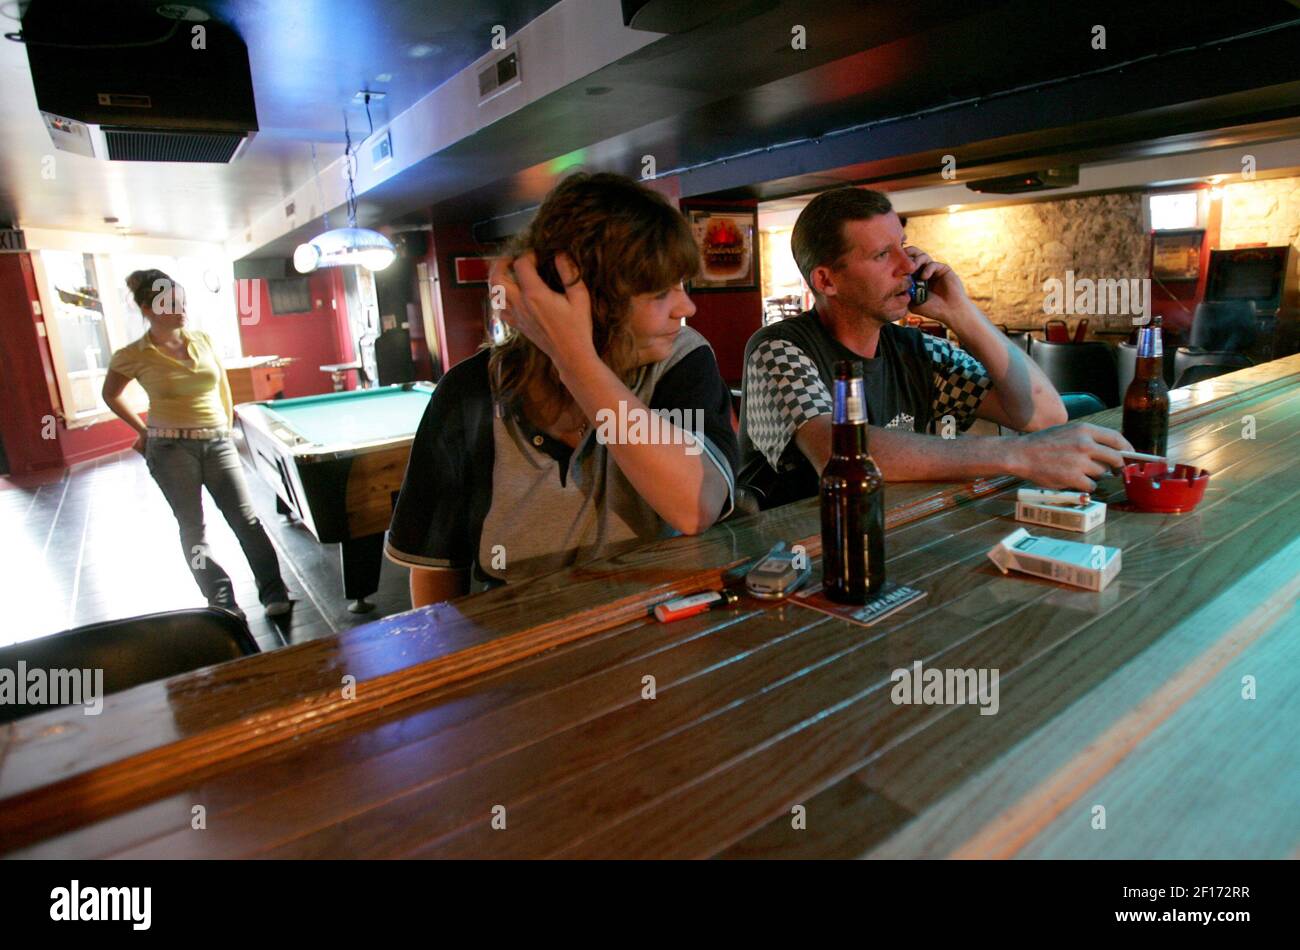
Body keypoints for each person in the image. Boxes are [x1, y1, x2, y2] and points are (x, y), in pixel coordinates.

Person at [385, 172, 738, 608]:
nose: (687, 307)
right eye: (659, 293)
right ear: (590, 300)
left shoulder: (681, 360)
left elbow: (693, 507)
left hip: (657, 625)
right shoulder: (469, 393)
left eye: (683, 286)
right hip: (519, 640)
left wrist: (575, 360)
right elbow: (437, 573)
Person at [738, 187, 1133, 507]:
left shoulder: (918, 352)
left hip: (891, 533)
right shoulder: (779, 349)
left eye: (903, 245)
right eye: (881, 255)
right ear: (826, 281)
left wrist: (961, 312)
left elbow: (1045, 415)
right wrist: (1018, 454)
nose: (908, 265)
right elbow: (835, 453)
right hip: (796, 556)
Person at [102, 270, 292, 618]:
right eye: (170, 302)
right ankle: (221, 601)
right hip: (171, 449)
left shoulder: (202, 339)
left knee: (246, 520)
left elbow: (222, 388)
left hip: (217, 442)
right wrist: (142, 430)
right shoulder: (132, 354)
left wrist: (227, 425)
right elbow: (110, 395)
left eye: (181, 299)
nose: (181, 306)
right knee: (193, 527)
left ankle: (274, 593)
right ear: (147, 308)